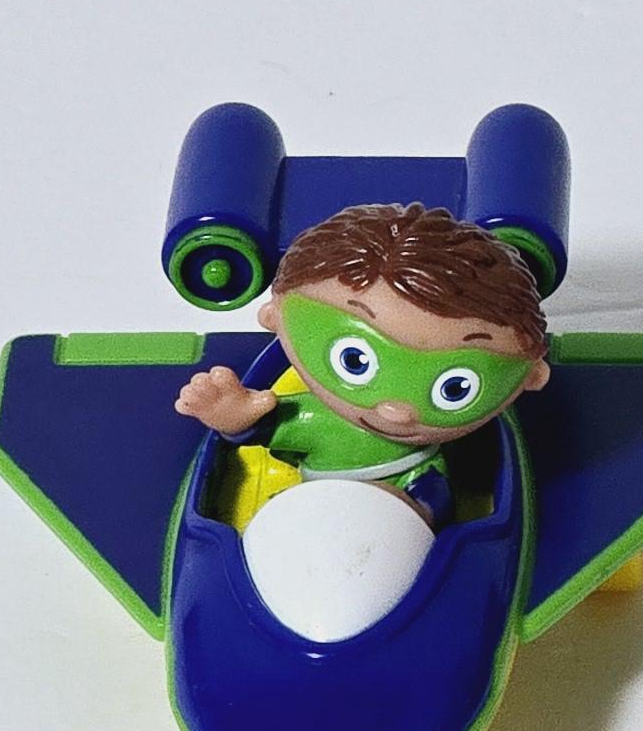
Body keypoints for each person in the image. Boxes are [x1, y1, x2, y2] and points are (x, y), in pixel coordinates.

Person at [173, 201, 552, 518]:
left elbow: (433, 500)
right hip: (303, 525)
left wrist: (405, 511)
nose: (395, 411)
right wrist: (233, 416)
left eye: (454, 388)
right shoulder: (316, 420)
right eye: (354, 361)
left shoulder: (419, 466)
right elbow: (262, 428)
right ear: (275, 318)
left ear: (531, 377)